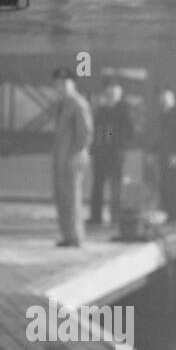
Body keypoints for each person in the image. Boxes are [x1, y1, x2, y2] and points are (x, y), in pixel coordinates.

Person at [52, 68, 93, 246]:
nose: (61, 86)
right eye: (58, 83)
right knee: (62, 197)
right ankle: (67, 235)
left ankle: (75, 236)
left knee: (72, 199)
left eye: (64, 82)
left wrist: (79, 152)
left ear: (72, 83)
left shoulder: (78, 103)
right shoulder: (62, 104)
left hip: (72, 158)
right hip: (61, 159)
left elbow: (87, 132)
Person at [89, 77, 135, 225]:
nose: (111, 92)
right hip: (101, 153)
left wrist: (120, 146)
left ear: (119, 92)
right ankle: (96, 217)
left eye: (115, 89)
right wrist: (92, 150)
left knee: (116, 186)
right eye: (109, 89)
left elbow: (130, 132)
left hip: (115, 153)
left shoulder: (124, 109)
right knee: (98, 185)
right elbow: (95, 131)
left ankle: (115, 217)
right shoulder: (101, 111)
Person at [151, 87, 176, 223]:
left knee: (173, 186)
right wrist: (152, 151)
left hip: (173, 156)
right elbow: (158, 136)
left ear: (172, 98)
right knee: (164, 185)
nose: (163, 99)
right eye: (162, 97)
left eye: (166, 97)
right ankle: (170, 214)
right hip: (162, 156)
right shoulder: (161, 115)